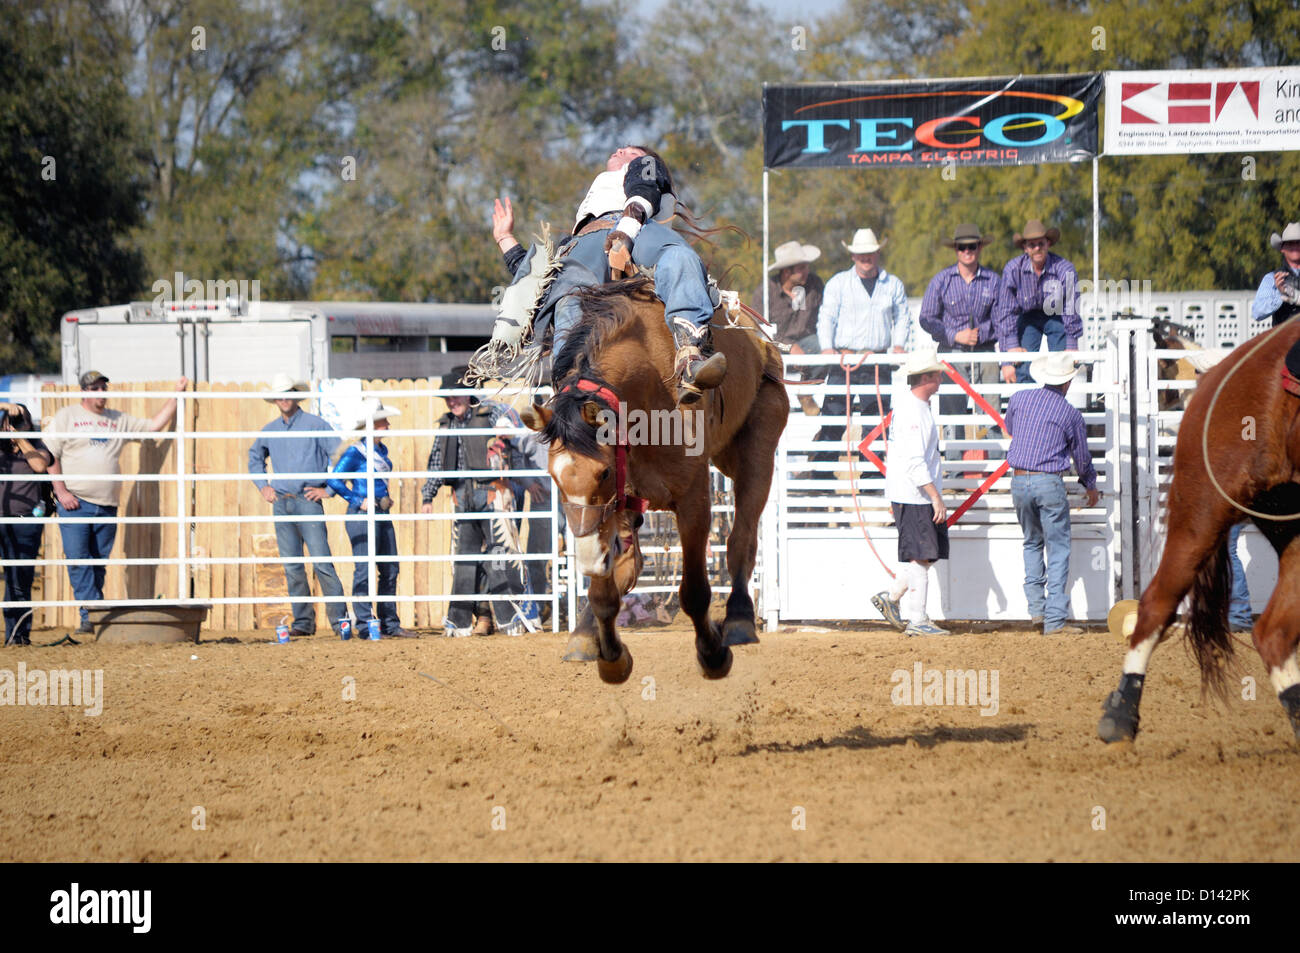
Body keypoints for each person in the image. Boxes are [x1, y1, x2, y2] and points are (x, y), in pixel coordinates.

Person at [487, 146, 725, 403]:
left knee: (679, 257)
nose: (621, 149)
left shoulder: (646, 166)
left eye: (630, 150)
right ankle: (570, 394)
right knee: (564, 298)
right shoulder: (583, 223)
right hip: (585, 242)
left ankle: (690, 355)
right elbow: (538, 285)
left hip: (639, 230)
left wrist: (625, 231)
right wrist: (504, 238)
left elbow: (642, 191)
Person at [45, 371, 187, 635]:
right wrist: (61, 491)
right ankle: (93, 612)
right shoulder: (67, 416)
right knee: (78, 559)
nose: (101, 393)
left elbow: (153, 426)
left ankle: (92, 617)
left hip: (106, 503)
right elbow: (49, 454)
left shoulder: (117, 420)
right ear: (84, 392)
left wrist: (176, 395)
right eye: (95, 389)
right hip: (75, 501)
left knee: (98, 562)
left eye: (103, 388)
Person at [422, 367, 529, 638]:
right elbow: (436, 462)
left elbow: (511, 430)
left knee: (498, 555)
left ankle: (508, 617)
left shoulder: (490, 413)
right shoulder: (447, 424)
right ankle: (459, 621)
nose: (451, 401)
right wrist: (428, 495)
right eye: (448, 397)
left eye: (455, 396)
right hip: (462, 496)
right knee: (464, 560)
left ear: (468, 395)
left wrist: (502, 437)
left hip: (491, 494)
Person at [1003, 353, 1101, 635]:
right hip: (1049, 482)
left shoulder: (1020, 399)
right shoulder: (1070, 414)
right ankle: (1055, 620)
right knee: (1057, 548)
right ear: (1068, 382)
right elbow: (1081, 458)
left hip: (1020, 480)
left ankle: (1037, 610)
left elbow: (1011, 428)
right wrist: (1089, 484)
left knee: (1032, 542)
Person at [248, 373, 347, 638]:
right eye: (279, 394)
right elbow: (254, 459)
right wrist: (263, 486)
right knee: (292, 565)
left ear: (294, 395)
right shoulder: (269, 431)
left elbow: (341, 456)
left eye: (287, 393)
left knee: (321, 562)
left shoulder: (316, 425)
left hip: (307, 500)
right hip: (282, 502)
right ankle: (303, 622)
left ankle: (340, 621)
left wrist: (328, 489)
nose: (283, 398)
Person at [809, 227, 910, 471]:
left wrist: (898, 345)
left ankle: (872, 477)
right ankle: (822, 476)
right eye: (861, 253)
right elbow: (826, 318)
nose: (866, 258)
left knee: (876, 422)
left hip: (877, 361)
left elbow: (903, 317)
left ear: (877, 254)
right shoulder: (838, 283)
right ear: (853, 256)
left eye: (871, 253)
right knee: (833, 418)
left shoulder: (892, 284)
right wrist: (827, 348)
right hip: (844, 359)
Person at [870, 350, 951, 637]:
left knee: (924, 555)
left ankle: (892, 598)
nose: (940, 378)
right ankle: (917, 618)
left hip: (913, 492)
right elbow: (916, 460)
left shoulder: (914, 407)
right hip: (914, 493)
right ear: (927, 378)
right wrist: (935, 496)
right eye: (937, 374)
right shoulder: (914, 411)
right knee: (921, 555)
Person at [327, 399, 417, 639]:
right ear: (372, 425)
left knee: (389, 568)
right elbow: (334, 479)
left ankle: (388, 623)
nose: (387, 424)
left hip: (380, 511)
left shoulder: (379, 451)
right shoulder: (356, 452)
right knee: (365, 569)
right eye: (382, 421)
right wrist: (357, 500)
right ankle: (367, 624)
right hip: (361, 514)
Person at [919, 224, 1003, 431]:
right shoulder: (941, 280)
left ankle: (993, 461)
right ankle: (953, 460)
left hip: (985, 352)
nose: (967, 251)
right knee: (951, 414)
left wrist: (981, 334)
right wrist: (956, 335)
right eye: (962, 247)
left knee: (991, 411)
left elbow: (1003, 318)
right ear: (956, 249)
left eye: (972, 246)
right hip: (951, 353)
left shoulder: (993, 280)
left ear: (979, 248)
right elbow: (926, 318)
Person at [994, 219, 1082, 384]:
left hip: (1057, 314)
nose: (1037, 249)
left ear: (1048, 244)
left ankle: (1057, 402)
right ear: (1025, 248)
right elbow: (1006, 311)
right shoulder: (1013, 269)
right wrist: (1011, 346)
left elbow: (1071, 307)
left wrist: (1072, 343)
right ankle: (1028, 404)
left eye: (1040, 244)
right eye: (1032, 245)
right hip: (1027, 316)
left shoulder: (1064, 269)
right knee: (1024, 364)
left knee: (1062, 364)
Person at [0, 403, 53, 645]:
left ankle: (18, 636)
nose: (14, 425)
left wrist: (20, 438)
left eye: (21, 420)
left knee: (19, 581)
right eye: (11, 421)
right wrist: (4, 406)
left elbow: (41, 466)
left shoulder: (38, 447)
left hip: (25, 523)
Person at [1250, 221, 1300, 394]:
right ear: (1282, 249)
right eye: (1290, 244)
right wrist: (1279, 296)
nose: (1295, 247)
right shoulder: (1271, 279)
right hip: (1283, 339)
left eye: (1298, 243)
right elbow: (1257, 312)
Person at [753, 240, 824, 354]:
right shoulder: (764, 292)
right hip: (776, 346)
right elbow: (759, 331)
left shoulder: (815, 284)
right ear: (786, 272)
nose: (807, 271)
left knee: (823, 347)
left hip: (809, 342)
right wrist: (789, 347)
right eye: (801, 268)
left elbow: (825, 317)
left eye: (807, 267)